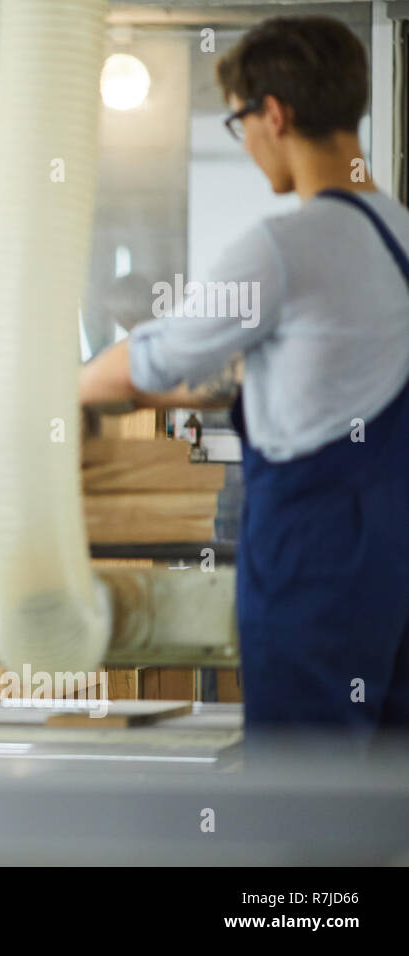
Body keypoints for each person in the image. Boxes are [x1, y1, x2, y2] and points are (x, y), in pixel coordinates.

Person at [79, 16, 409, 737]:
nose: (249, 141)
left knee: (304, 797)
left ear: (274, 114)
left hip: (317, 559)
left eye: (240, 122)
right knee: (390, 796)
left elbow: (153, 359)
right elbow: (312, 375)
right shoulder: (400, 232)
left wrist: (58, 390)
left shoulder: (286, 246)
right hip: (393, 556)